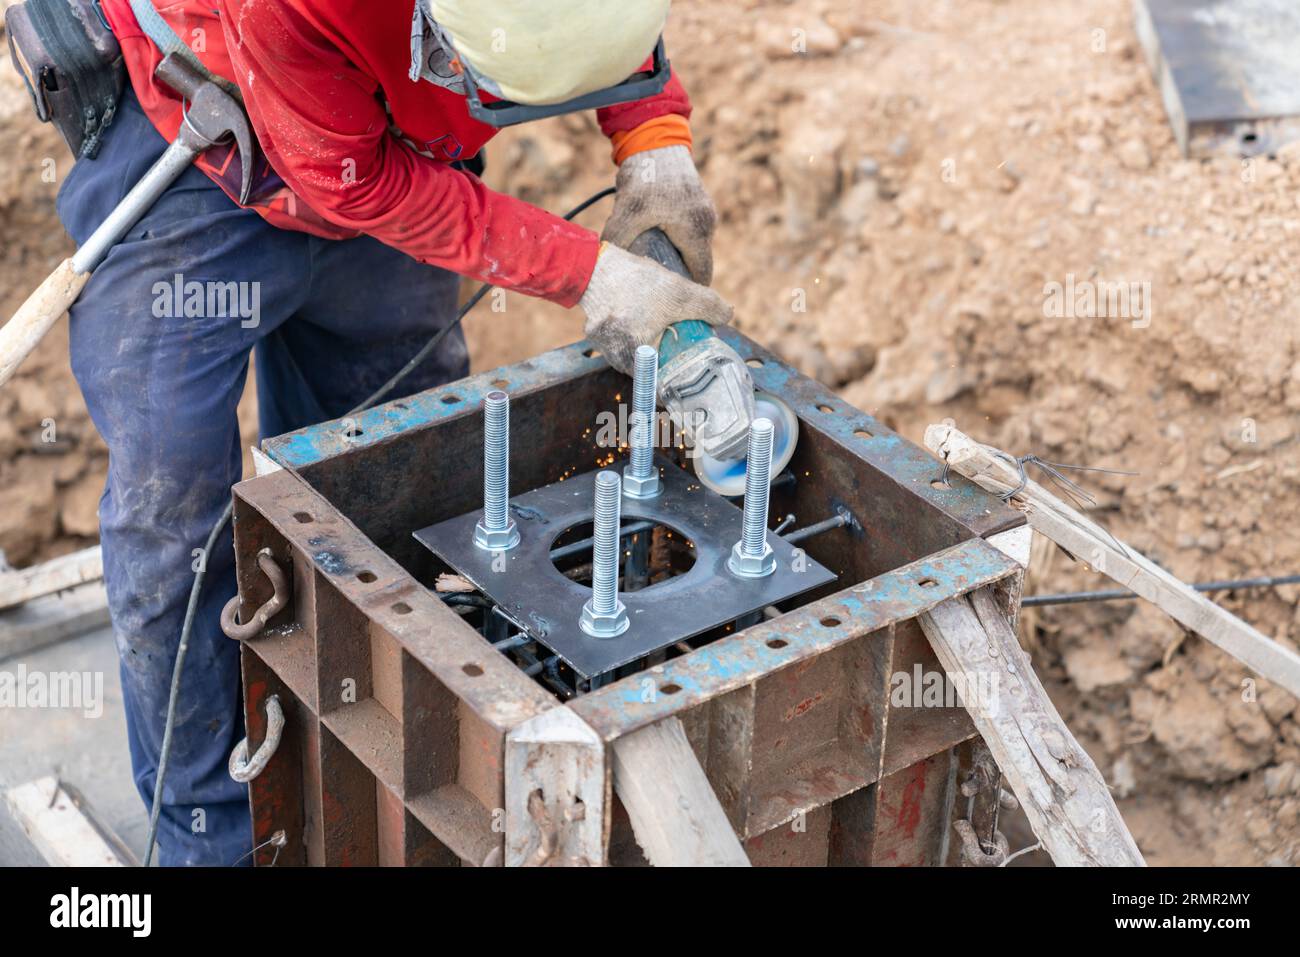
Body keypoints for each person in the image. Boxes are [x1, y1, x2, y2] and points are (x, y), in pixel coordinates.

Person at [62, 0, 731, 864]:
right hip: (195, 149)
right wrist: (590, 278)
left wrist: (655, 142)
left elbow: (605, 28)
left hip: (385, 134)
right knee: (174, 528)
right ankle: (214, 835)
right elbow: (360, 185)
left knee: (386, 478)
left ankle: (353, 772)